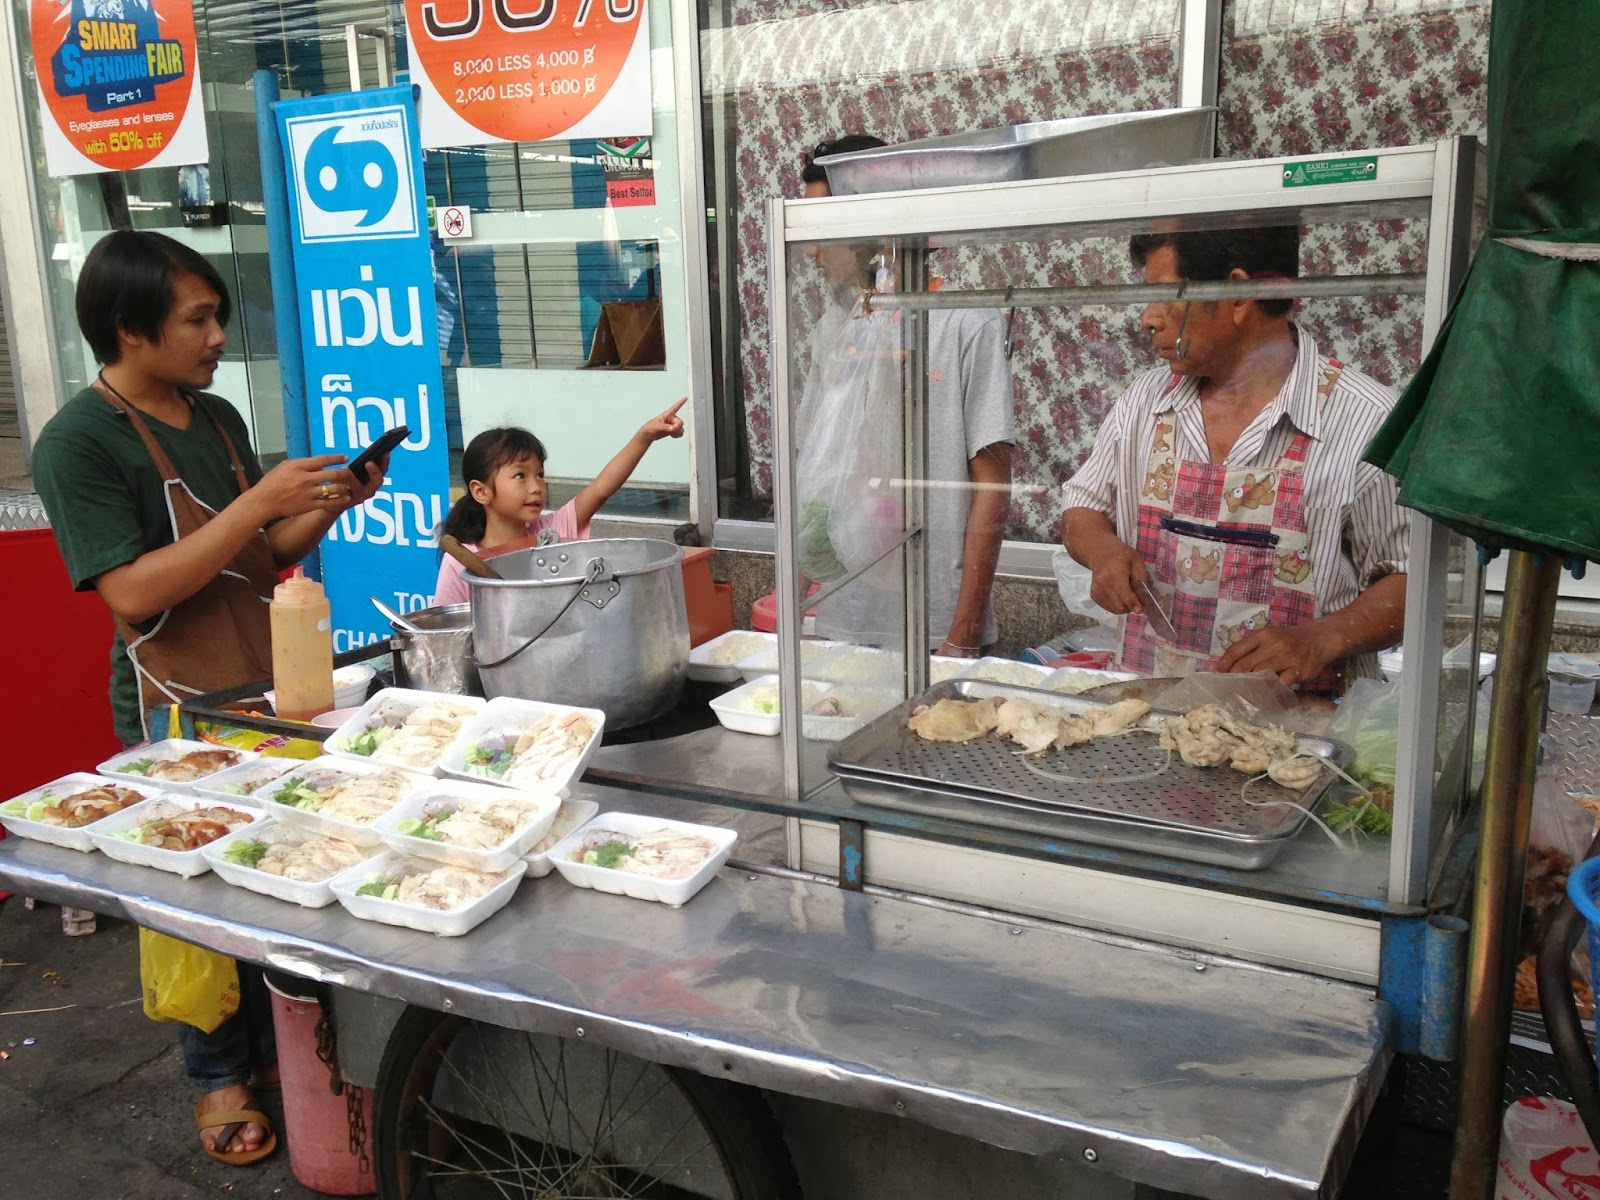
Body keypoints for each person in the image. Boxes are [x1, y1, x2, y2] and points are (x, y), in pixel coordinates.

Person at [30, 229, 388, 1166]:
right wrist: (259, 501)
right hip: (173, 700)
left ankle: (282, 1052)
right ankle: (215, 1072)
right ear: (128, 329)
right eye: (198, 318)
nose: (218, 333)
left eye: (218, 315)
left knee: (275, 872)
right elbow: (133, 591)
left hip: (257, 683)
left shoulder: (216, 416)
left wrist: (333, 501)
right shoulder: (77, 442)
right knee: (194, 904)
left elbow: (254, 556)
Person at [1060, 226, 1408, 693]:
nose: (1148, 319)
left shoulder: (1367, 417)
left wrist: (1317, 641)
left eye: (1166, 297)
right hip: (1151, 716)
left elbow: (1412, 583)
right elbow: (1082, 506)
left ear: (1238, 294)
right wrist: (1104, 553)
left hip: (1307, 733)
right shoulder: (1146, 400)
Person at [801, 136, 1014, 657]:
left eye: (821, 227)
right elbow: (823, 474)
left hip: (935, 623)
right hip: (843, 616)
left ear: (879, 221)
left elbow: (993, 488)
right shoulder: (838, 329)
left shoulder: (969, 323)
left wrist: (961, 633)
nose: (810, 249)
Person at [433, 400, 687, 605]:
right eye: (520, 476)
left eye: (540, 474)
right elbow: (447, 634)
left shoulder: (553, 532)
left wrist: (644, 437)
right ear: (481, 491)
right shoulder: (459, 562)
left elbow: (601, 488)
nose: (536, 487)